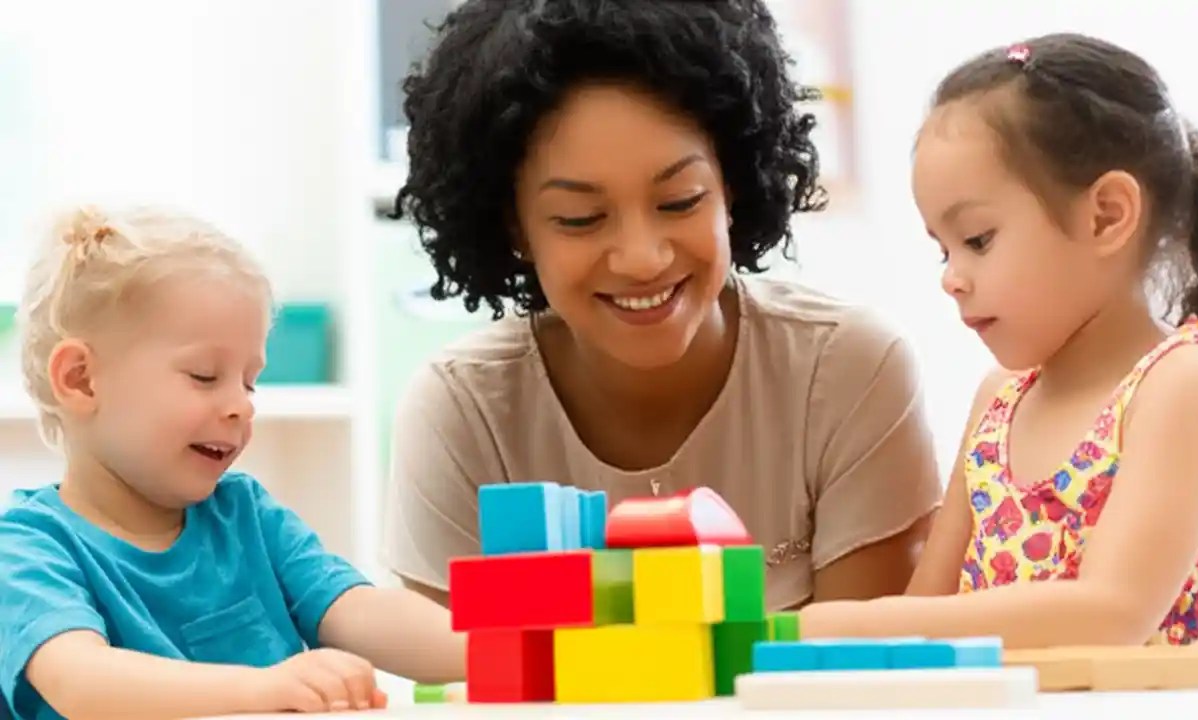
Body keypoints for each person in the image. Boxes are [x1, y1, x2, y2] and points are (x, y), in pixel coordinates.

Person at [381, 0, 944, 612]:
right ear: (514, 227)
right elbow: (464, 685)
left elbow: (858, 682)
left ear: (731, 187)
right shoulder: (464, 414)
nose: (642, 257)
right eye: (581, 218)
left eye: (679, 201)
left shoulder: (849, 372)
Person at [800, 32, 1198, 648]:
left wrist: (849, 622)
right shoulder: (997, 403)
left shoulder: (1181, 385)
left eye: (977, 240)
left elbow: (1110, 615)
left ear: (1106, 215)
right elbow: (924, 616)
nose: (951, 278)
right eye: (942, 250)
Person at [0, 206, 465, 720]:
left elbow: (358, 610)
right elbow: (82, 683)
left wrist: (512, 651)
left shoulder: (248, 516)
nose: (242, 405)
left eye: (249, 381)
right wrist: (267, 690)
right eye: (204, 375)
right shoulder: (26, 551)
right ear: (82, 379)